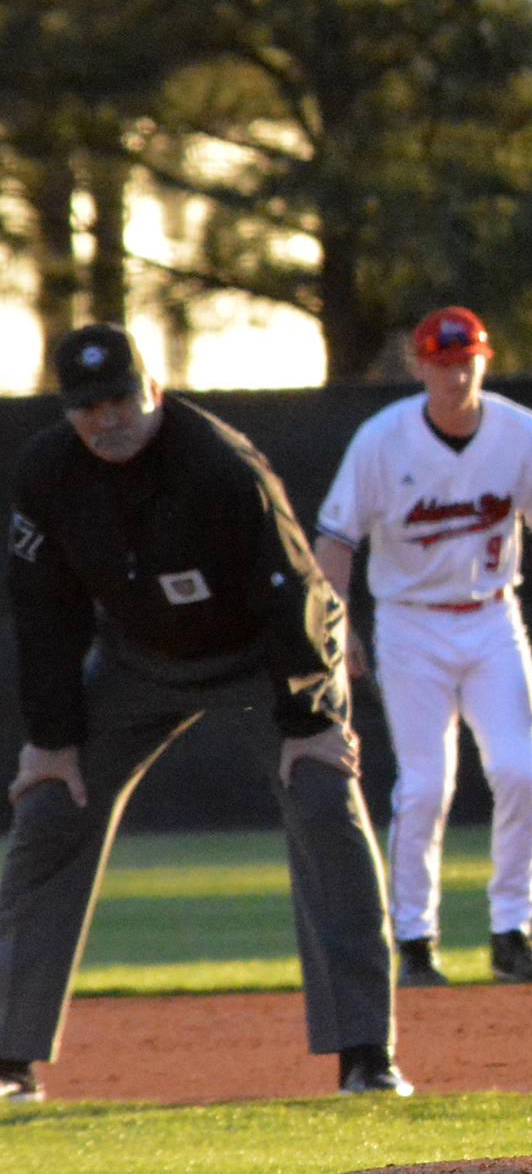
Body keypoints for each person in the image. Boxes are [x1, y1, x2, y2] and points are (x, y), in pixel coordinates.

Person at [1, 325, 407, 1101]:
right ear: (68, 411)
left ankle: (365, 1054)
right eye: (87, 406)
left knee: (324, 799)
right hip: (137, 662)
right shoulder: (47, 472)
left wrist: (310, 717)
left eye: (120, 398)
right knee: (49, 808)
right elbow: (44, 610)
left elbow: (293, 588)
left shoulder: (219, 465)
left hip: (263, 654)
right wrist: (52, 741)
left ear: (152, 389)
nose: (106, 419)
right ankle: (9, 1060)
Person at [313, 307, 532, 989]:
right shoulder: (381, 441)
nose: (455, 371)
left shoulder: (523, 433)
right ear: (418, 367)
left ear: (486, 358)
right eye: (441, 361)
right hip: (409, 624)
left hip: (492, 615)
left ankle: (511, 932)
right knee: (423, 786)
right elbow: (334, 538)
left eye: (465, 357)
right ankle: (414, 942)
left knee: (520, 771)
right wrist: (338, 623)